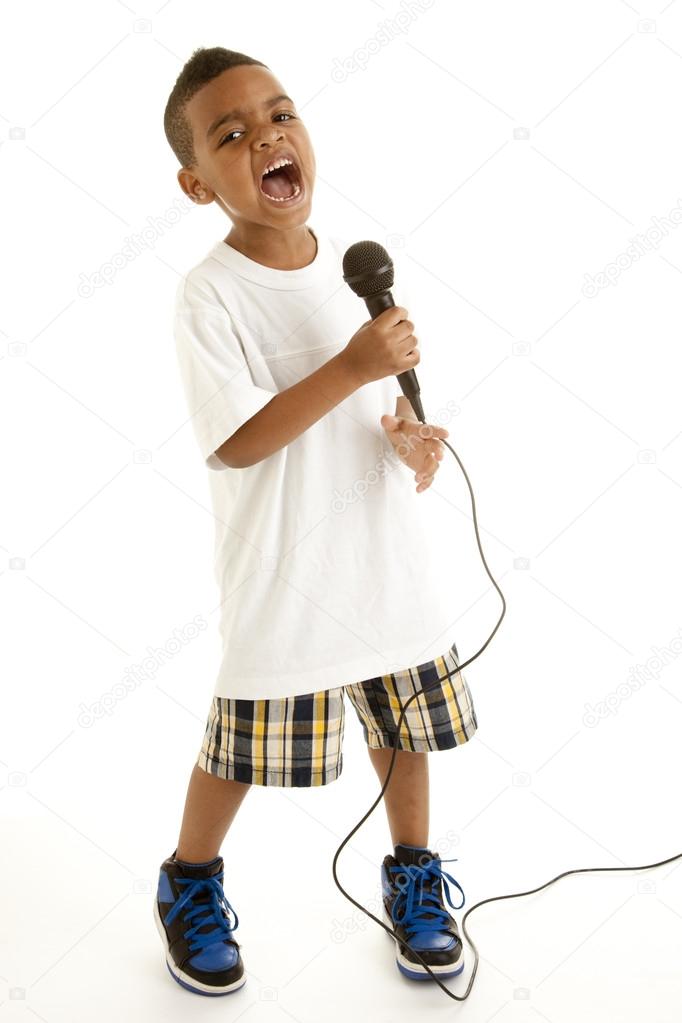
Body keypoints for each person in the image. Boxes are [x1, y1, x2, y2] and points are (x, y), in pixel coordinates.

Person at [154, 46, 479, 996]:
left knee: (404, 732)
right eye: (232, 133)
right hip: (286, 572)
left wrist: (407, 434)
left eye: (280, 113)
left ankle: (415, 875)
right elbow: (242, 440)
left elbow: (365, 410)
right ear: (196, 182)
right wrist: (349, 366)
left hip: (381, 560)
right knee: (240, 744)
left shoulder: (353, 273)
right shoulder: (209, 294)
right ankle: (190, 881)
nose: (267, 136)